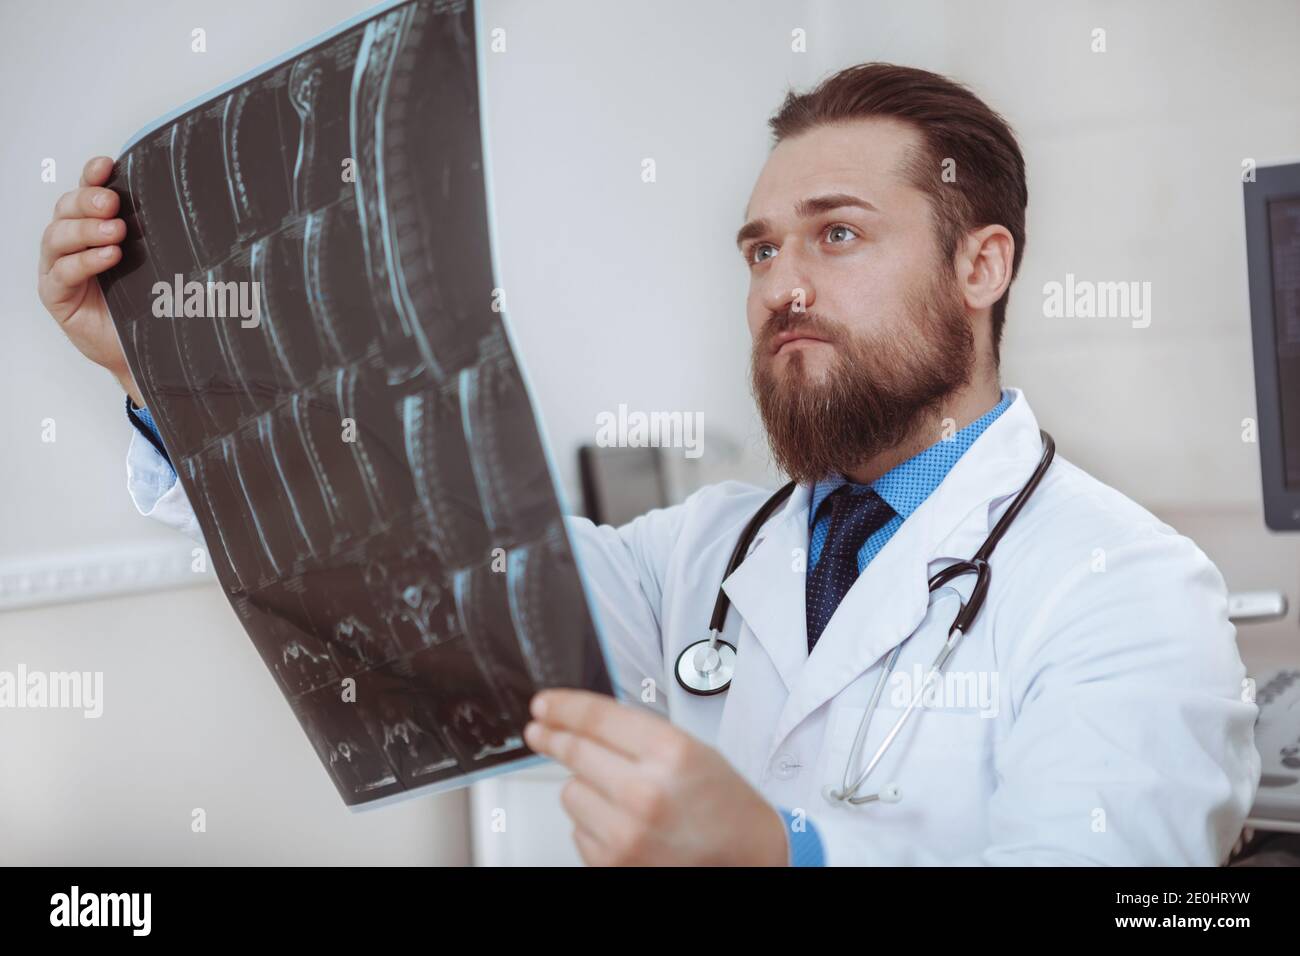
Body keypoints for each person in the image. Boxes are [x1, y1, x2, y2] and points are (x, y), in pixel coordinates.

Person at [37, 62, 1259, 866]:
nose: (782, 285)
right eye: (760, 249)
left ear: (981, 267)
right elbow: (399, 561)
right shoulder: (707, 550)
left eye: (837, 234)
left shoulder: (1130, 588)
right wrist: (163, 371)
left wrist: (787, 856)